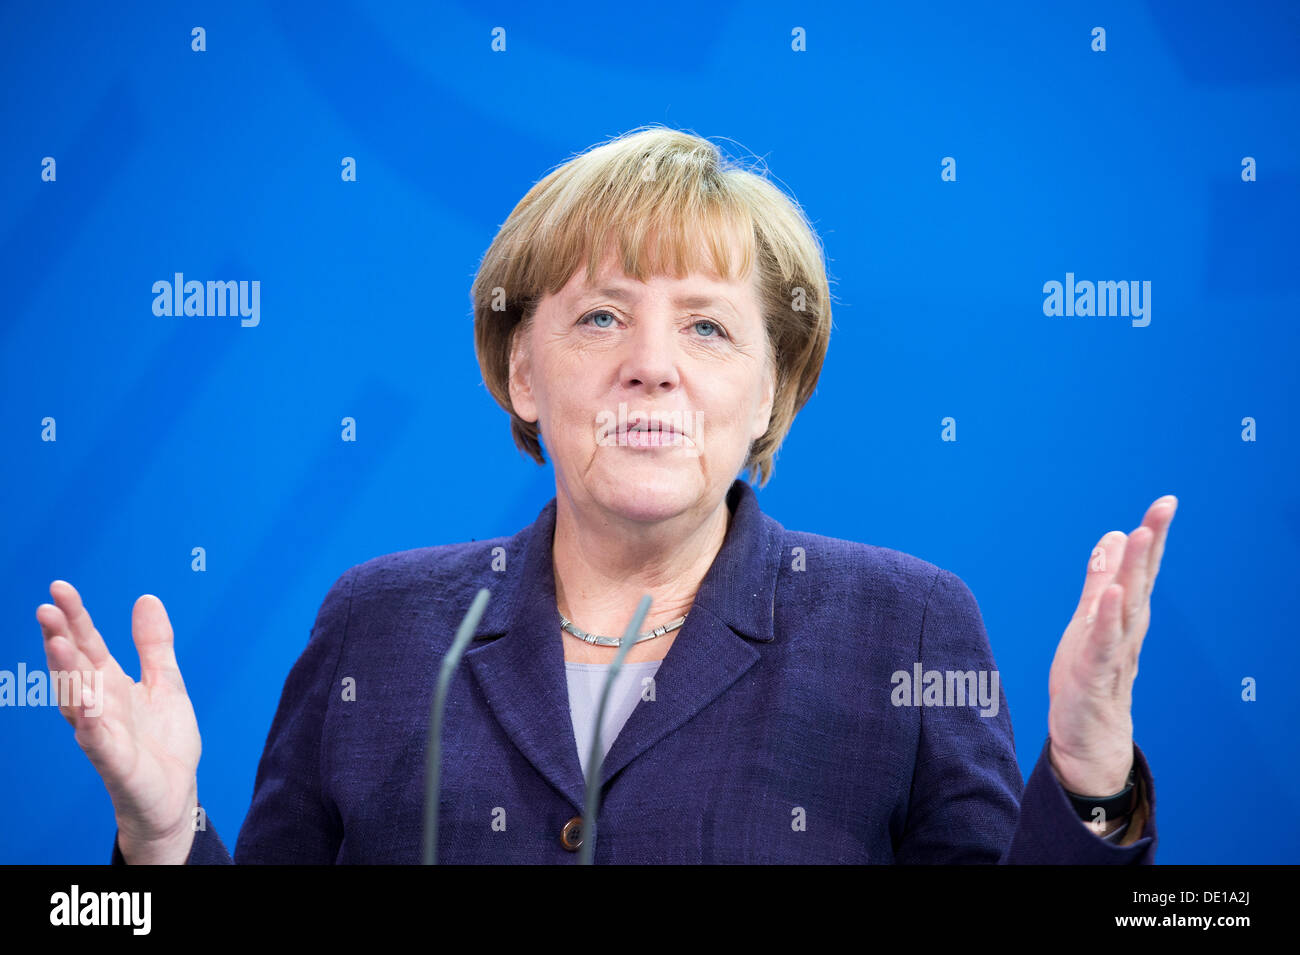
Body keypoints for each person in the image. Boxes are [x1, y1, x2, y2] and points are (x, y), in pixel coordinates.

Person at [36, 125, 1176, 863]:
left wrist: (1086, 781)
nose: (651, 362)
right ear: (522, 373)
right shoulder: (375, 626)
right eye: (598, 316)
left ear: (772, 394)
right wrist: (159, 830)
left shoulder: (906, 626)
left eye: (708, 327)